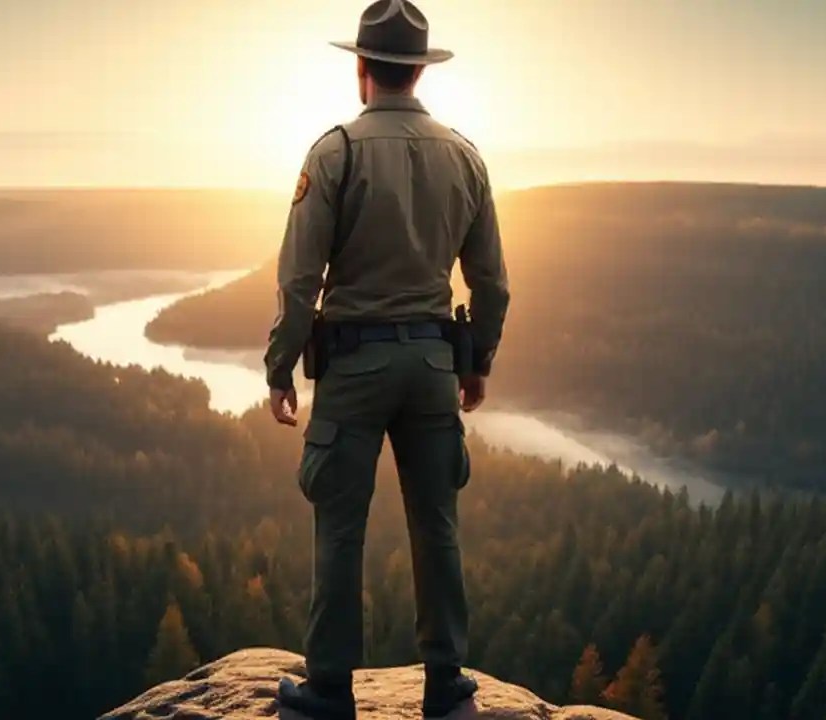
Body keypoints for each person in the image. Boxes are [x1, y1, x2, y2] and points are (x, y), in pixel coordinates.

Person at [264, 1, 509, 718]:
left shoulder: (334, 151)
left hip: (353, 368)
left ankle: (330, 689)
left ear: (363, 68)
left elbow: (299, 280)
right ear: (420, 69)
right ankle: (446, 684)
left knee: (340, 525)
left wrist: (280, 368)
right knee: (437, 521)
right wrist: (478, 361)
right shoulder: (465, 156)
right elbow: (490, 281)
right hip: (434, 366)